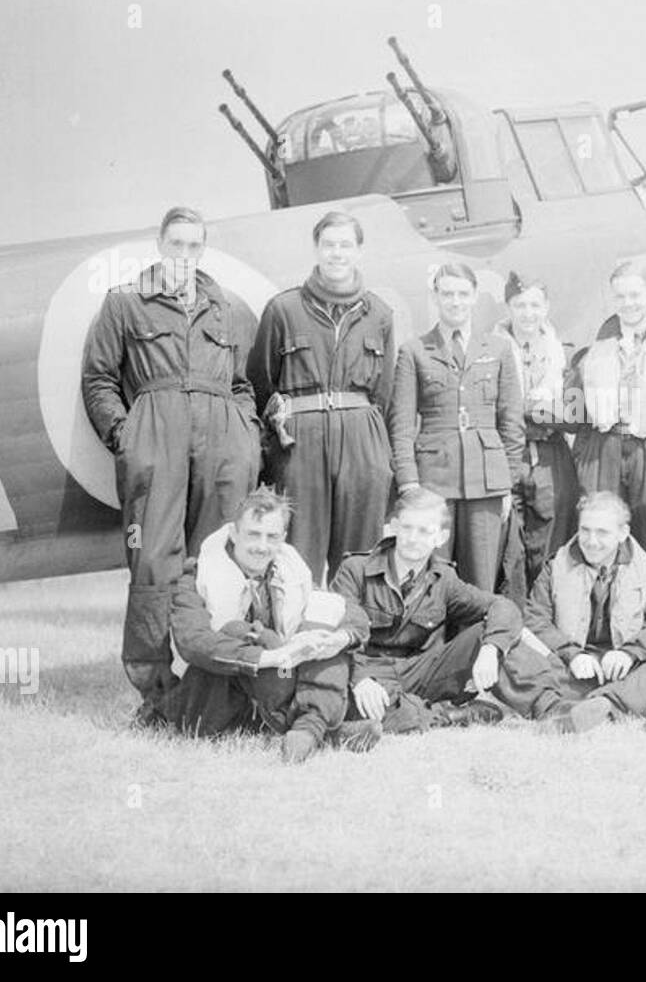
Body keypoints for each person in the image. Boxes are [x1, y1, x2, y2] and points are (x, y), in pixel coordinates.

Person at [82, 205, 260, 716]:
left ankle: (222, 684)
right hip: (155, 436)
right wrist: (127, 436)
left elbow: (243, 383)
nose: (184, 255)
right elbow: (98, 378)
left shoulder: (226, 307)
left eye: (194, 246)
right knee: (155, 560)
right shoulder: (125, 303)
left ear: (203, 249)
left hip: (223, 442)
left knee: (221, 557)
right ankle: (155, 694)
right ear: (161, 246)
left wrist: (244, 434)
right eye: (176, 245)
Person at [331, 488, 614, 735]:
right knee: (346, 705)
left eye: (424, 531)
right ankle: (450, 715)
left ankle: (554, 712)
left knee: (494, 633)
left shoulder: (444, 578)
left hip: (421, 672)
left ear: (440, 537)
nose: (413, 539)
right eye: (406, 528)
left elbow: (504, 607)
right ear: (391, 527)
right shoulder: (355, 570)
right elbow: (336, 634)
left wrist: (491, 649)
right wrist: (359, 678)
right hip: (368, 671)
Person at [161, 486, 370, 763]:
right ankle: (327, 732)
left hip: (278, 684)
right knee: (253, 636)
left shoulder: (290, 571)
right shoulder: (197, 576)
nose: (261, 546)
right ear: (234, 533)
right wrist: (272, 656)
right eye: (253, 534)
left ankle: (308, 728)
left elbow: (347, 611)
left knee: (325, 629)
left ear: (282, 538)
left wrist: (338, 639)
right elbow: (194, 642)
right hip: (217, 695)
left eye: (271, 536)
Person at [248, 210, 396, 585]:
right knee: (298, 551)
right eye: (329, 245)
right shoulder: (284, 309)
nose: (337, 253)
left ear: (359, 251)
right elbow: (260, 383)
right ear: (316, 249)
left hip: (363, 441)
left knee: (361, 554)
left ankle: (356, 637)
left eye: (346, 245)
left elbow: (385, 392)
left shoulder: (379, 313)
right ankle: (297, 636)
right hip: (301, 443)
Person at [569, 255, 646, 625]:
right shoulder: (598, 348)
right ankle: (599, 627)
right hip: (607, 444)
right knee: (600, 535)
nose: (628, 304)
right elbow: (575, 411)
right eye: (620, 297)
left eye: (635, 295)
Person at [389, 262, 524, 592]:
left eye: (463, 294)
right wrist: (409, 484)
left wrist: (507, 483)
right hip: (434, 482)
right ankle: (434, 645)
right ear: (435, 297)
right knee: (431, 578)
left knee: (481, 580)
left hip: (487, 481)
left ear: (475, 296)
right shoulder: (414, 351)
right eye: (447, 294)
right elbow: (402, 425)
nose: (455, 301)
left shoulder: (499, 349)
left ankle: (479, 643)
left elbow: (511, 422)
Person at [523, 491, 646, 717]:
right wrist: (572, 655)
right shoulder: (556, 565)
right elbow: (534, 619)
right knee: (515, 654)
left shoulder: (643, 567)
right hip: (572, 668)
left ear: (622, 533)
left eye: (602, 533)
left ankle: (600, 706)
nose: (591, 541)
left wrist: (629, 653)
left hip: (623, 669)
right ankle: (614, 704)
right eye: (585, 530)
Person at [496, 270, 581, 593]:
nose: (528, 313)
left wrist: (526, 408)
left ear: (546, 307)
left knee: (553, 540)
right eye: (520, 305)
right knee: (510, 540)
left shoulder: (564, 354)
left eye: (535, 305)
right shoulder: (490, 350)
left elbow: (573, 415)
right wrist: (538, 410)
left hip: (550, 456)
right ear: (509, 307)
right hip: (509, 455)